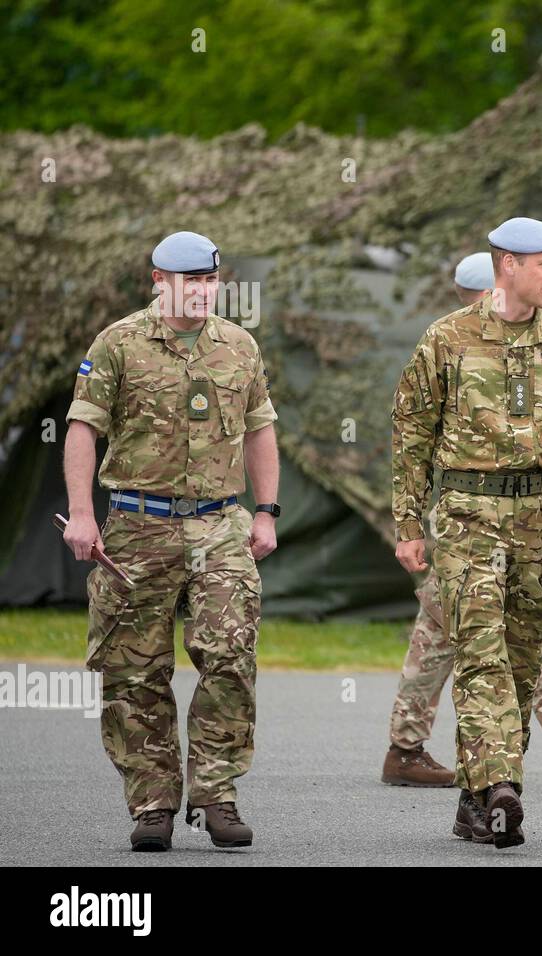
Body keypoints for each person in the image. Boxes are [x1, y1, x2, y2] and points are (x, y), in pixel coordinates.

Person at [391, 218, 542, 848]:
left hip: (536, 517)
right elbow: (412, 432)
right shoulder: (448, 339)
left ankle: (473, 796)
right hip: (466, 512)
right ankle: (501, 788)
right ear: (507, 265)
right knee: (481, 652)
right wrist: (409, 522)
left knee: (520, 661)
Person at [63, 230, 280, 851]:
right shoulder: (118, 344)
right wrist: (83, 514)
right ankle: (153, 802)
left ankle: (217, 795)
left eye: (209, 281)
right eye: (188, 281)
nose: (200, 292)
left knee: (231, 658)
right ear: (159, 282)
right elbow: (82, 430)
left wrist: (265, 512)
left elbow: (261, 429)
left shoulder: (239, 346)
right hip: (137, 525)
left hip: (219, 523)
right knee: (135, 670)